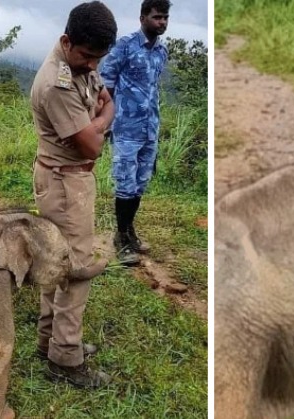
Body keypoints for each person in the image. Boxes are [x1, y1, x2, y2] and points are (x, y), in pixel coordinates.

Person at [29, 1, 116, 389]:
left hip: (67, 179)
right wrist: (100, 121)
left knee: (54, 261)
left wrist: (98, 120)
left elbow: (107, 100)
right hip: (66, 183)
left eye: (99, 58)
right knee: (75, 269)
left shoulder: (77, 66)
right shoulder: (56, 82)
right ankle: (65, 357)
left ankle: (49, 341)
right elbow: (92, 146)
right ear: (67, 41)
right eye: (87, 56)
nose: (93, 66)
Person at [100, 0, 171, 266]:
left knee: (140, 182)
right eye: (157, 17)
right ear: (143, 18)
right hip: (126, 128)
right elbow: (105, 85)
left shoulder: (162, 51)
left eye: (165, 18)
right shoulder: (125, 46)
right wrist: (105, 123)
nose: (162, 22)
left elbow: (152, 89)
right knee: (125, 184)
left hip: (149, 128)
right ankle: (120, 237)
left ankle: (130, 231)